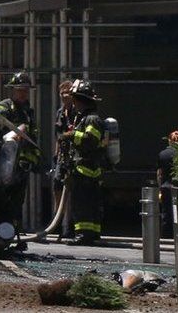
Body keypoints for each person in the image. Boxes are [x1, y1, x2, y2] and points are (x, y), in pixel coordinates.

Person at [60, 79, 106, 246]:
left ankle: (83, 234)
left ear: (81, 100)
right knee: (90, 203)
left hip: (86, 170)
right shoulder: (84, 118)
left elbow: (90, 140)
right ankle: (92, 233)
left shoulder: (91, 119)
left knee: (82, 203)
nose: (74, 103)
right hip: (87, 169)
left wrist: (72, 136)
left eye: (75, 99)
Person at [0, 72, 41, 232]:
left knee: (17, 202)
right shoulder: (4, 107)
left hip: (22, 166)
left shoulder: (28, 112)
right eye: (20, 90)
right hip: (5, 164)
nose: (23, 93)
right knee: (3, 200)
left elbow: (33, 138)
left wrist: (34, 161)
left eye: (25, 90)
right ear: (12, 90)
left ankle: (15, 233)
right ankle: (1, 232)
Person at [52, 79, 76, 240]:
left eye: (67, 93)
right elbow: (59, 137)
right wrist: (56, 155)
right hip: (62, 157)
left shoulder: (78, 113)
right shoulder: (60, 113)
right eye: (62, 93)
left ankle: (70, 226)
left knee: (72, 191)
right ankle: (58, 222)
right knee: (57, 185)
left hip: (75, 158)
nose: (64, 96)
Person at [158, 130, 178, 238]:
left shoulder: (162, 154)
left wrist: (160, 187)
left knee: (166, 213)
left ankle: (166, 235)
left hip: (165, 186)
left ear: (169, 140)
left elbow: (159, 173)